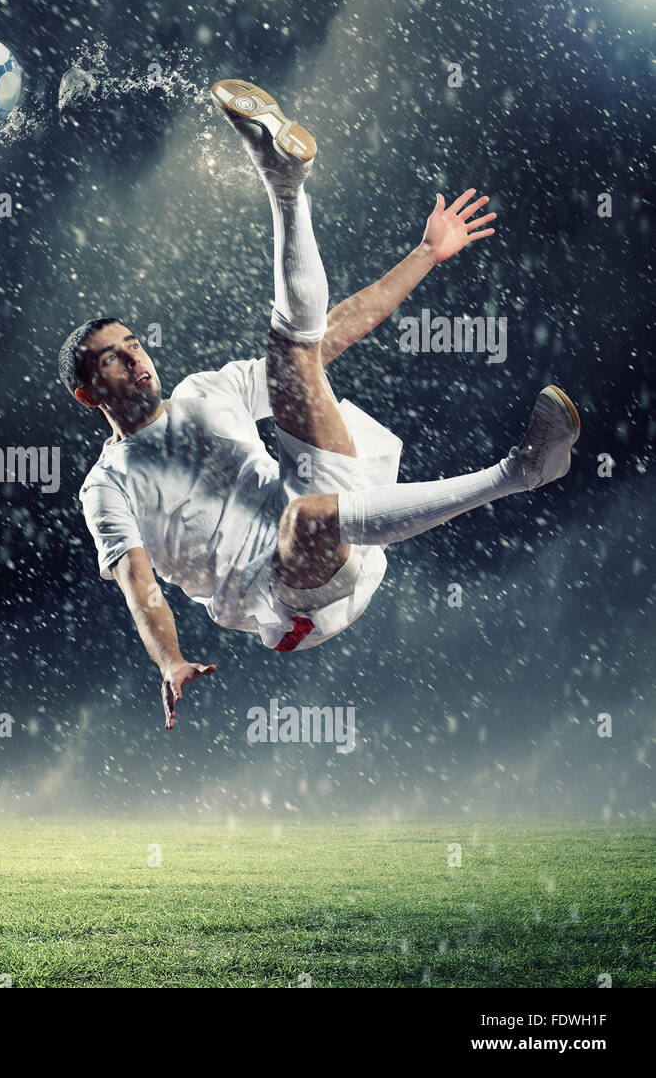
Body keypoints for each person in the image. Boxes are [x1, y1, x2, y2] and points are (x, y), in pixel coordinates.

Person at [60, 79, 580, 730]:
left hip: (343, 526)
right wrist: (169, 660)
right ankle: (520, 472)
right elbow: (140, 585)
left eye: (135, 343)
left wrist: (425, 254)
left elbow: (331, 332)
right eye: (113, 357)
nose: (136, 357)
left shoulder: (204, 391)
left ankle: (284, 184)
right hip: (289, 605)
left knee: (291, 356)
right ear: (88, 393)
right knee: (306, 518)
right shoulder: (105, 485)